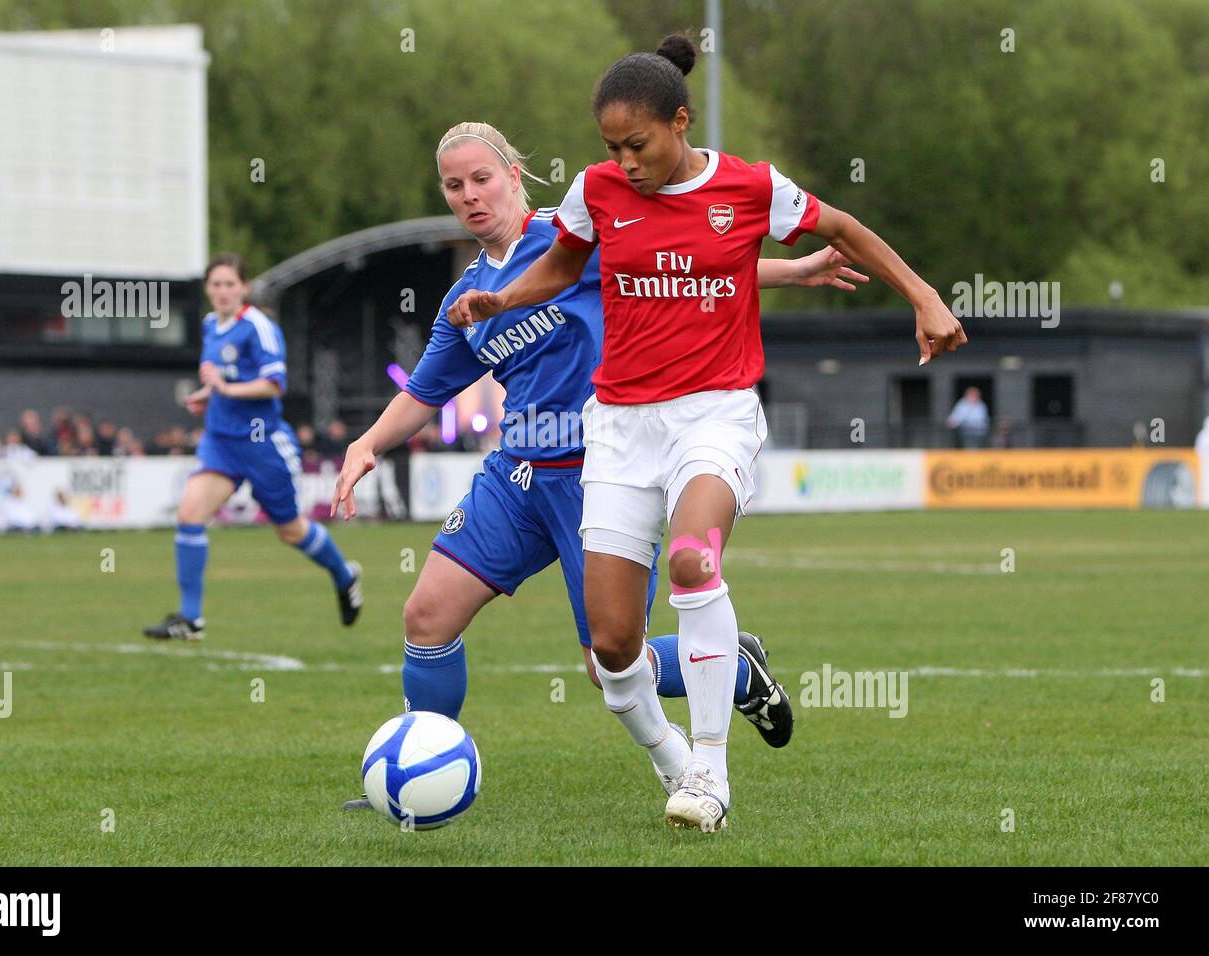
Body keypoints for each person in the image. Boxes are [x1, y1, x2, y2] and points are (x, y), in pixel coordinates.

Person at [448, 35, 967, 830]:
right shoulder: (596, 191)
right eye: (612, 148)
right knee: (611, 649)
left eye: (639, 144)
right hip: (619, 426)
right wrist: (503, 298)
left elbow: (844, 226)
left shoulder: (750, 187)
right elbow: (563, 266)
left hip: (715, 413)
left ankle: (711, 773)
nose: (625, 163)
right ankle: (674, 763)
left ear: (680, 122)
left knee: (692, 559)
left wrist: (924, 296)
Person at [335, 121, 866, 769]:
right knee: (426, 617)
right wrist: (367, 443)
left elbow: (690, 268)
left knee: (608, 661)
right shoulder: (466, 299)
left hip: (600, 472)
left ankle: (735, 671)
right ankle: (418, 769)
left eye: (481, 178)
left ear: (513, 176)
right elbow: (424, 392)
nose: (469, 195)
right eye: (453, 185)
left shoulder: (574, 237)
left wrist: (796, 269)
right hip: (516, 478)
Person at [144, 253, 362, 642]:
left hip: (262, 445)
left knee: (290, 531)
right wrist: (208, 394)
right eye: (216, 284)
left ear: (243, 287)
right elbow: (223, 378)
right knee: (189, 514)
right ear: (207, 289)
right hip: (221, 442)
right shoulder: (210, 325)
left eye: (230, 284)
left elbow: (273, 385)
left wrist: (225, 389)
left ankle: (343, 575)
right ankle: (190, 620)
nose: (223, 291)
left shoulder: (259, 328)